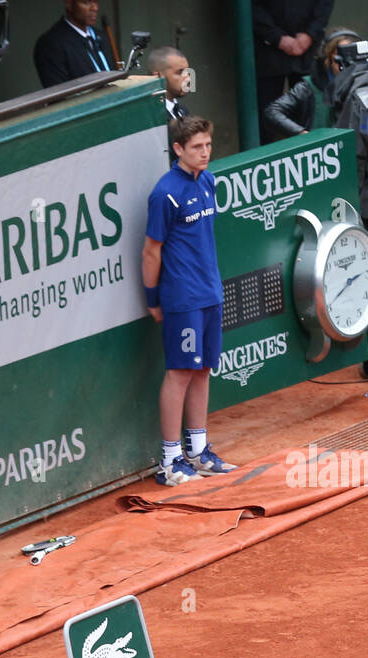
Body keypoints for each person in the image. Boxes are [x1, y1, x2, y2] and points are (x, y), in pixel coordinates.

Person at [142, 116, 237, 486]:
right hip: (182, 298)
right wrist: (153, 298)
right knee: (180, 372)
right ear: (178, 149)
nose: (205, 153)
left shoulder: (209, 182)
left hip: (210, 293)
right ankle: (169, 460)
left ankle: (197, 452)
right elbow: (151, 252)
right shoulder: (164, 193)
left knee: (202, 370)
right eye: (197, 147)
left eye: (209, 145)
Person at [253, 0, 335, 142]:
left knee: (310, 110)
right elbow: (253, 8)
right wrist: (276, 38)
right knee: (267, 118)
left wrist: (310, 34)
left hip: (308, 52)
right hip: (267, 52)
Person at [263, 27, 359, 138]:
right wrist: (303, 134)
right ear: (328, 57)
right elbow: (273, 112)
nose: (347, 61)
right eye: (340, 55)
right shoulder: (309, 86)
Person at [34, 0, 113, 89]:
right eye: (86, 2)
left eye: (96, 2)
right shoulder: (50, 44)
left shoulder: (100, 35)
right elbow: (59, 94)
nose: (95, 8)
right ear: (68, 3)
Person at [148, 46, 192, 121]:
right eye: (180, 72)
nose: (188, 78)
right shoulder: (150, 115)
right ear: (158, 76)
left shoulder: (183, 110)